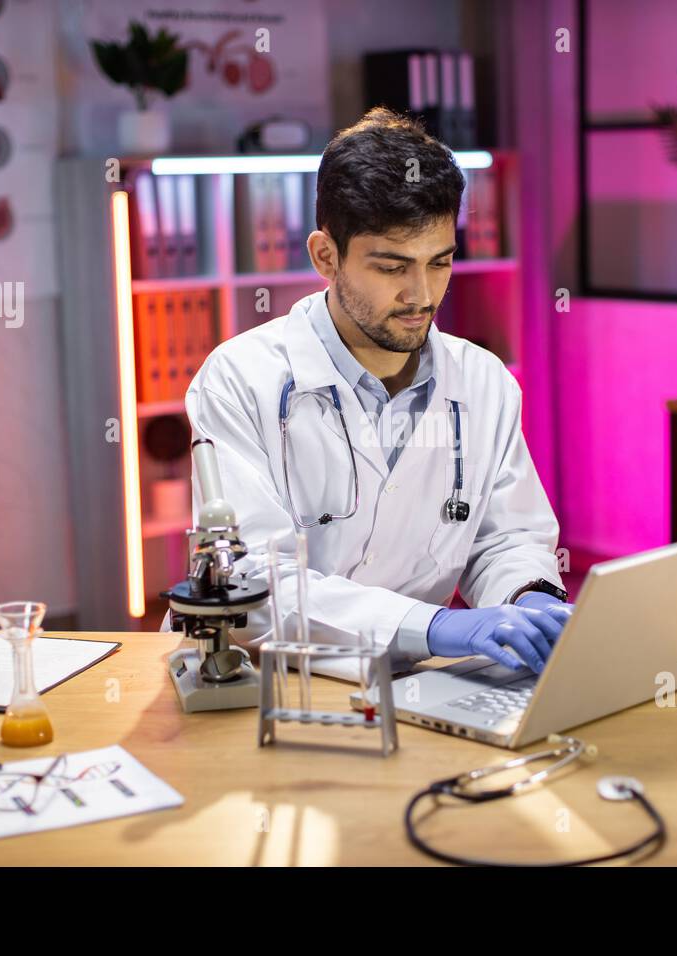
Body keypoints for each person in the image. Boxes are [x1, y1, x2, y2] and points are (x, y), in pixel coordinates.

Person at [181, 108, 572, 678]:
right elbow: (250, 585)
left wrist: (528, 599)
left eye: (440, 263)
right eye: (392, 267)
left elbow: (506, 539)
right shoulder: (239, 380)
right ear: (326, 256)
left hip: (414, 683)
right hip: (265, 684)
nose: (422, 294)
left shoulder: (483, 381)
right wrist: (435, 627)